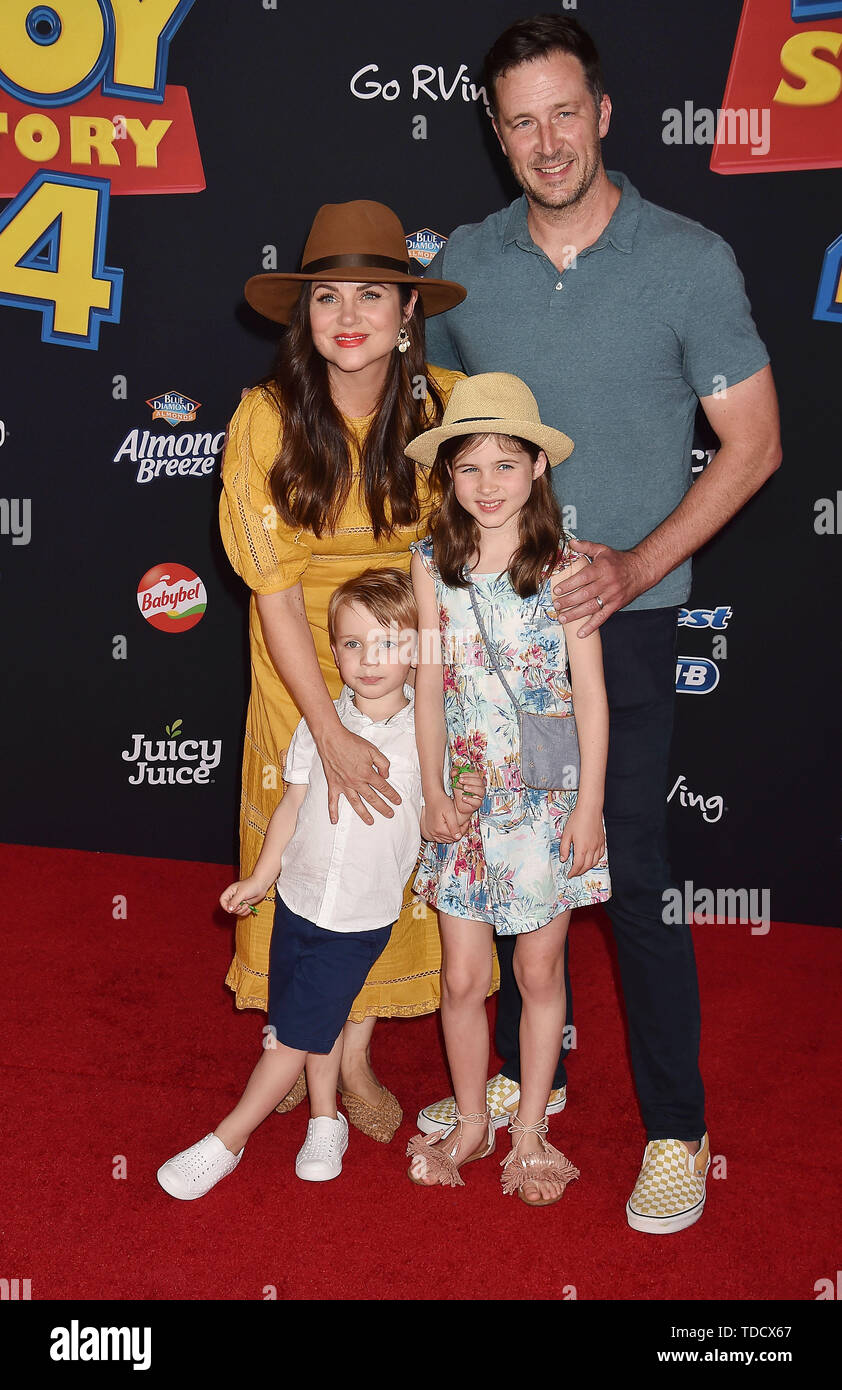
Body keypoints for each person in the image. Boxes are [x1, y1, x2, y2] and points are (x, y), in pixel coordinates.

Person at [418, 15, 781, 1231]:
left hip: (612, 627)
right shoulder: (464, 266)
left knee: (619, 872)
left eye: (562, 111)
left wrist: (632, 566)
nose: (544, 140)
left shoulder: (687, 258)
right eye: (518, 120)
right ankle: (535, 1079)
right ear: (494, 132)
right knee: (500, 871)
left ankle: (675, 1130)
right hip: (481, 641)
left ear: (604, 112)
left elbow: (755, 445)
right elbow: (445, 429)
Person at [219, 200, 497, 1144]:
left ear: (407, 311)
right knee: (307, 866)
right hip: (296, 678)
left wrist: (404, 710)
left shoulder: (452, 408)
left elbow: (473, 566)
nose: (348, 314)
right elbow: (270, 593)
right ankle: (302, 1045)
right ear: (303, 315)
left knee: (383, 862)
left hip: (409, 675)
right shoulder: (263, 420)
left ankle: (355, 1058)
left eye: (372, 294)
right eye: (327, 295)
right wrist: (330, 734)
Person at [157, 570, 466, 1198]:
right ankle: (326, 1121)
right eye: (351, 644)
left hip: (358, 919)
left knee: (293, 1035)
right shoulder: (320, 723)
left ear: (417, 651)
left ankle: (226, 1141)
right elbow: (292, 808)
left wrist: (464, 800)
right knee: (306, 1018)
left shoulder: (429, 737)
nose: (367, 660)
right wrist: (260, 879)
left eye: (387, 643)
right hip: (297, 899)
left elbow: (445, 820)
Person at [404, 373, 610, 1207]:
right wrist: (432, 793)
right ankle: (470, 1120)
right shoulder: (429, 564)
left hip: (548, 801)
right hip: (462, 798)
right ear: (448, 477)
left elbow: (589, 694)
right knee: (460, 979)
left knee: (536, 969)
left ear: (537, 468)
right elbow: (424, 684)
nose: (487, 486)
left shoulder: (566, 566)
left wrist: (590, 806)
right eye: (468, 468)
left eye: (504, 464)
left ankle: (528, 1128)